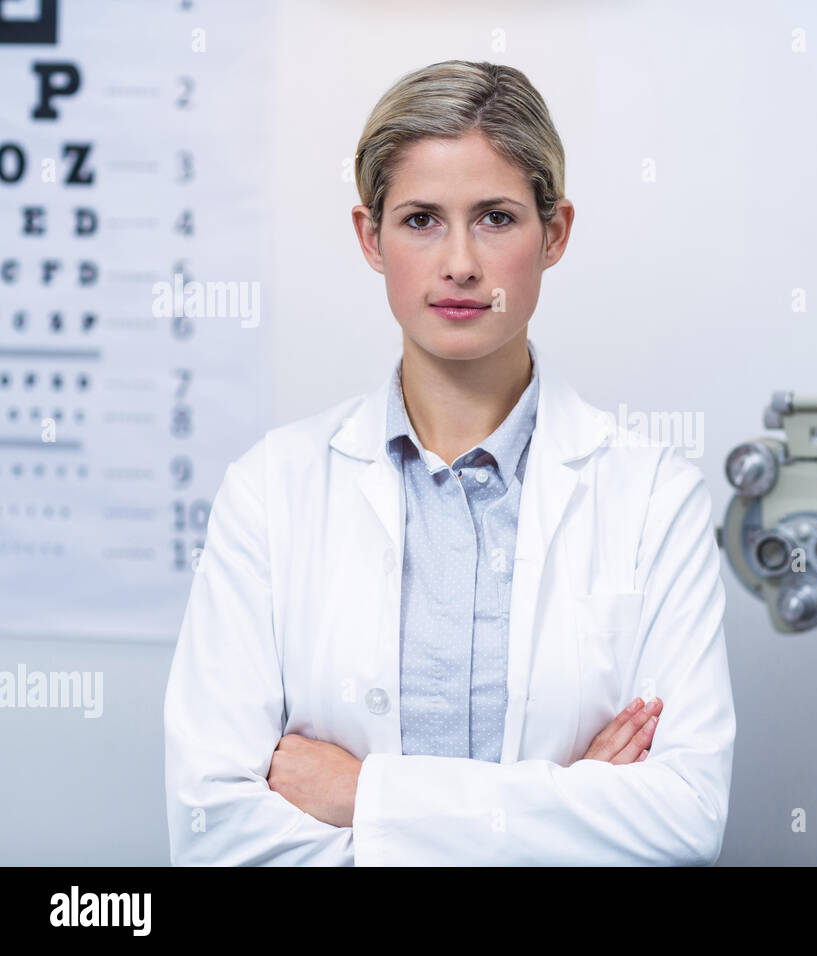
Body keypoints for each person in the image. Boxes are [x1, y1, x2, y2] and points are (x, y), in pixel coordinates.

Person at [163, 60, 736, 865]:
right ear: (371, 237)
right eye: (422, 219)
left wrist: (365, 798)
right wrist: (566, 811)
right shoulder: (271, 490)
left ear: (555, 233)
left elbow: (682, 821)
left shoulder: (652, 497)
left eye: (496, 218)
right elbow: (212, 831)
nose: (460, 263)